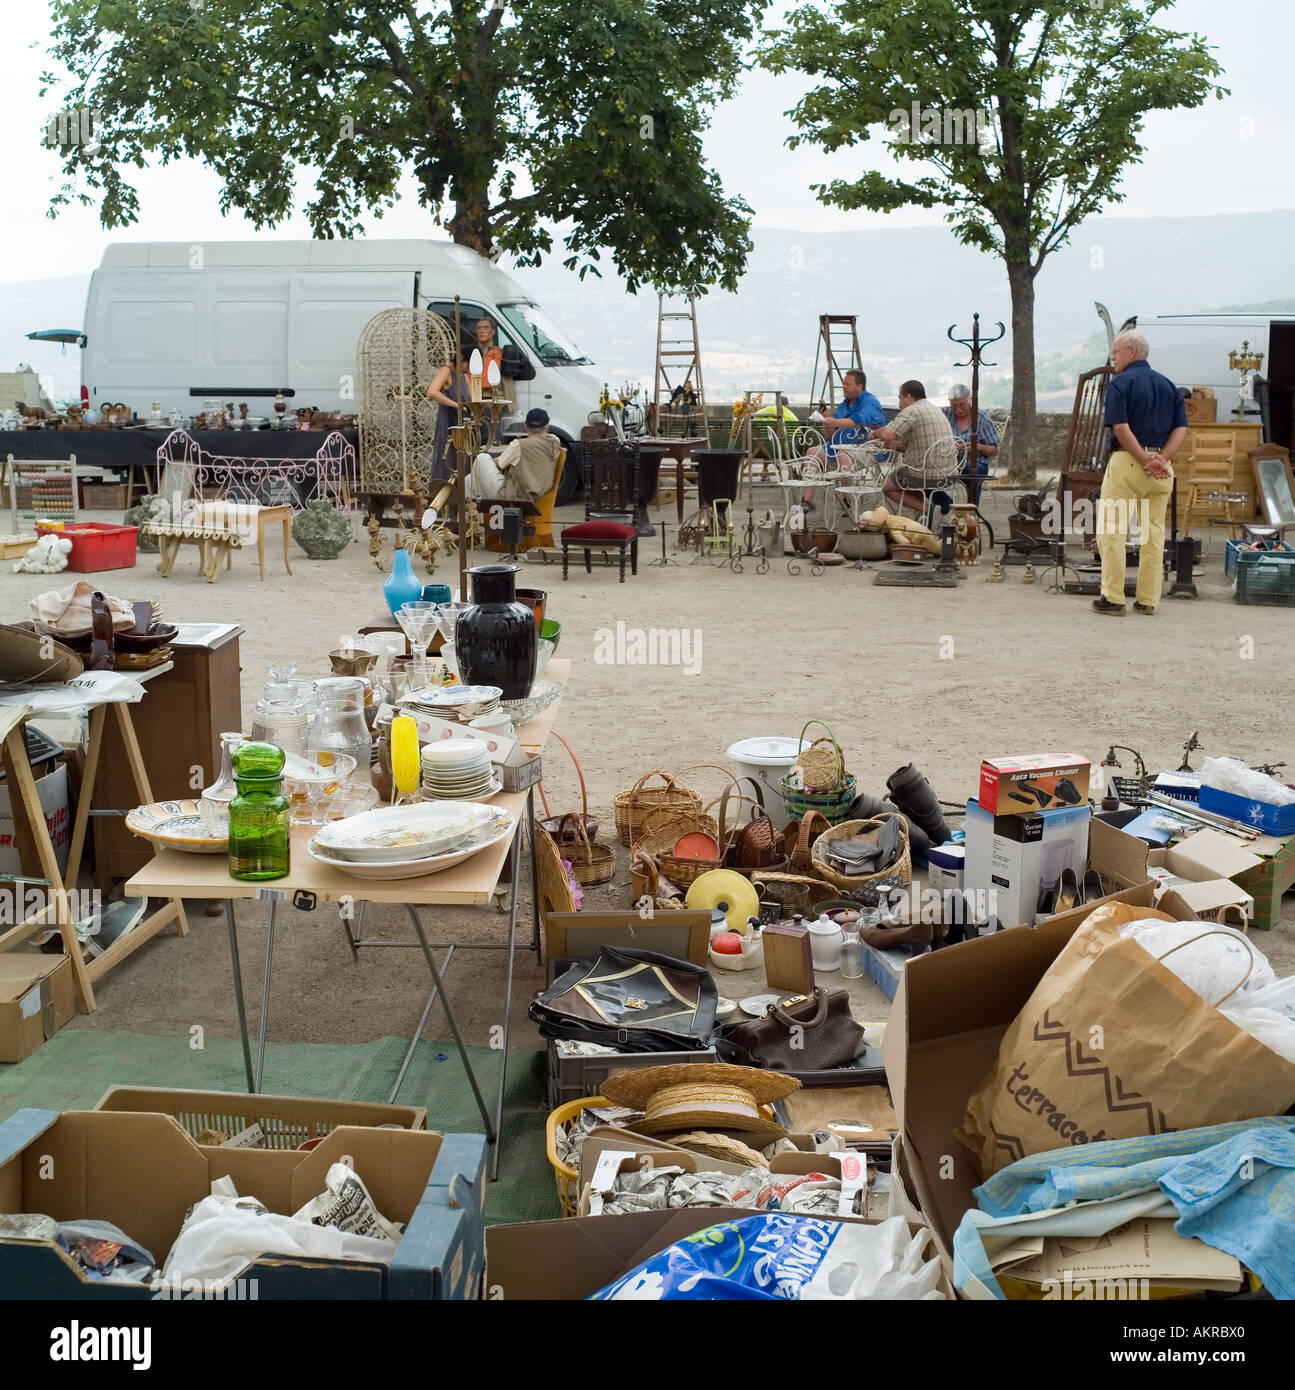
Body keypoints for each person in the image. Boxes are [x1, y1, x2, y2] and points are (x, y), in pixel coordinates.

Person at [1093, 331, 1188, 616]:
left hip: (1128, 464)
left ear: (1132, 352)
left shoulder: (1120, 384)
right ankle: (1148, 600)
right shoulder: (1168, 385)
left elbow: (1120, 428)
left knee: (1112, 532)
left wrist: (1144, 459)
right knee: (1153, 535)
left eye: (1116, 352)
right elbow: (1181, 428)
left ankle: (1113, 598)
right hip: (1162, 470)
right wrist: (1161, 459)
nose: (1113, 358)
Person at [866, 380, 958, 515]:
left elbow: (887, 434)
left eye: (900, 397)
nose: (899, 404)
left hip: (926, 474)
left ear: (908, 397)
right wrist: (891, 445)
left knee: (886, 485)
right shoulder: (934, 409)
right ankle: (925, 516)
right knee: (909, 477)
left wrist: (873, 434)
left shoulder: (912, 410)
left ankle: (928, 511)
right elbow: (915, 446)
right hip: (949, 473)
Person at [802, 369, 885, 508]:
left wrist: (834, 422)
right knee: (812, 452)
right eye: (843, 384)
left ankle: (845, 500)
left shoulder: (870, 402)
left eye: (847, 383)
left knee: (843, 455)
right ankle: (807, 500)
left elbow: (857, 421)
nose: (844, 387)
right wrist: (827, 421)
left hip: (865, 449)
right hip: (836, 446)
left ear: (859, 386)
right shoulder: (844, 405)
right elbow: (830, 436)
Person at [470, 408, 562, 505]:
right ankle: (465, 515)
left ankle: (464, 513)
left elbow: (500, 463)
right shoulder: (554, 441)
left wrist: (494, 460)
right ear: (547, 426)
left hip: (514, 497)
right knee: (470, 480)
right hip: (538, 493)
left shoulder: (519, 445)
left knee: (482, 458)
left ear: (525, 426)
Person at [943, 384, 999, 504]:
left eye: (961, 405)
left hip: (977, 464)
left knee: (972, 473)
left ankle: (971, 510)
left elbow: (994, 450)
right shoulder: (945, 414)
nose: (958, 409)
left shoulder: (982, 418)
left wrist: (978, 447)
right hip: (951, 463)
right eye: (954, 406)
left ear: (969, 401)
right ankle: (944, 506)